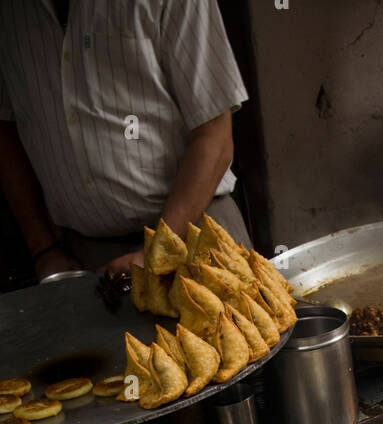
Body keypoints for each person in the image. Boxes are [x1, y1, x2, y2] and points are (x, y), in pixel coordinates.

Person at [0, 0, 249, 280]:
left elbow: (215, 135)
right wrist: (42, 248)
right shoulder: (10, 12)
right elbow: (5, 132)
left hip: (194, 235)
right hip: (84, 258)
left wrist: (157, 251)